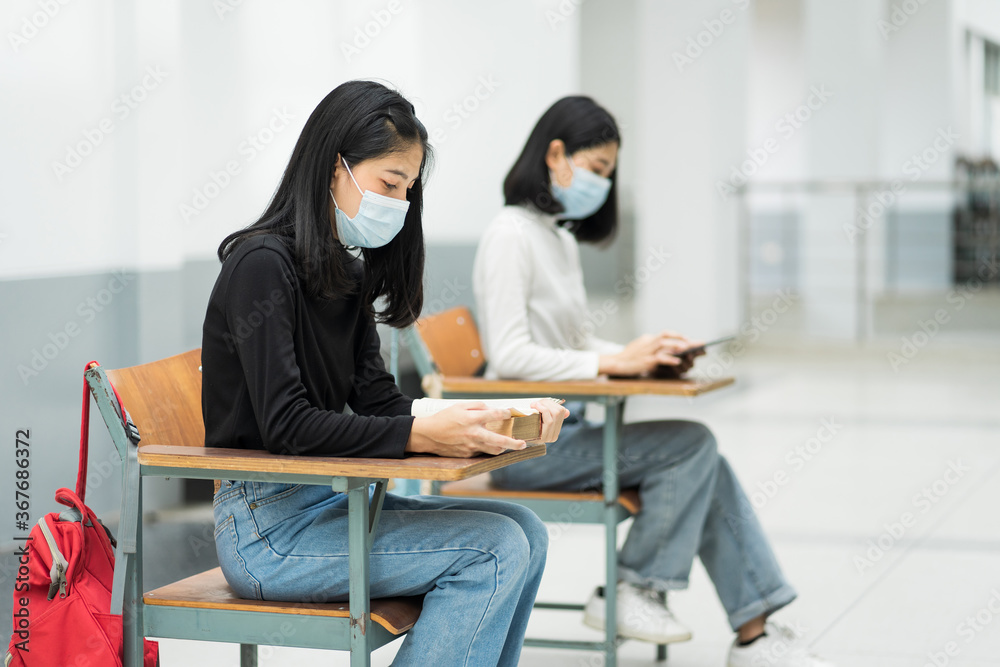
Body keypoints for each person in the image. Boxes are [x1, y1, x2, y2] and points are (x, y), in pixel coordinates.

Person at [201, 80, 568, 667]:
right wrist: (421, 435)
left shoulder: (341, 273)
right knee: (495, 550)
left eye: (407, 189)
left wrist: (484, 418)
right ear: (332, 168)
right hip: (268, 534)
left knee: (525, 528)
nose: (398, 204)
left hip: (336, 505)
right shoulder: (261, 266)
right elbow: (286, 425)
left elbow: (379, 401)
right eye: (388, 184)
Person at [472, 96, 833, 667]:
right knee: (692, 445)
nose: (601, 184)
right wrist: (613, 365)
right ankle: (635, 586)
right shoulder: (510, 235)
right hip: (526, 444)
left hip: (570, 430)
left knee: (705, 463)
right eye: (595, 169)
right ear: (556, 154)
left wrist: (640, 356)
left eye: (608, 174)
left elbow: (572, 343)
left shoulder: (557, 238)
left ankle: (755, 634)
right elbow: (509, 355)